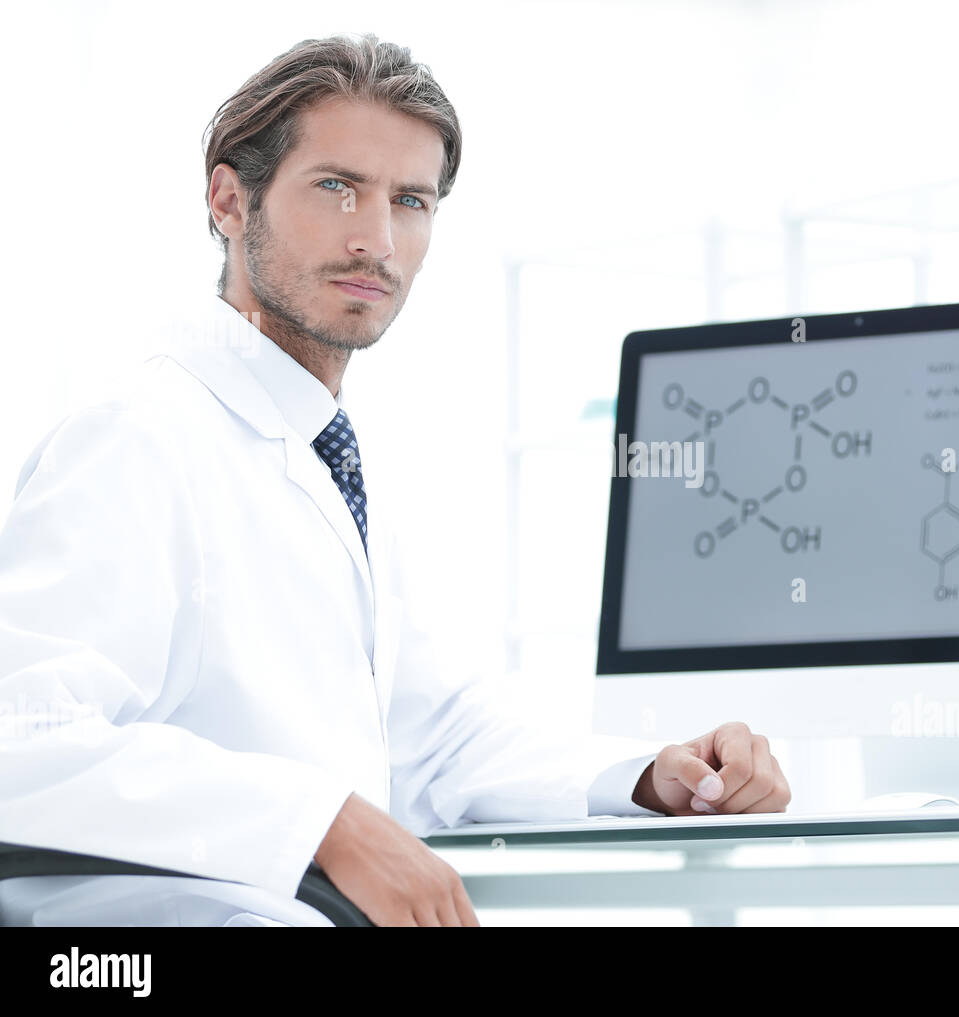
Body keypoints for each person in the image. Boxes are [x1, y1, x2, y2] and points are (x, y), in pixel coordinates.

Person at [0, 32, 790, 928]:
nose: (375, 239)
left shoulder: (327, 455)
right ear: (228, 199)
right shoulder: (138, 438)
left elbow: (432, 741)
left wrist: (654, 773)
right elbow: (24, 737)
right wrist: (318, 824)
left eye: (408, 200)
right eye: (336, 186)